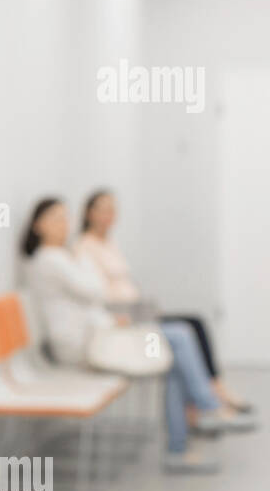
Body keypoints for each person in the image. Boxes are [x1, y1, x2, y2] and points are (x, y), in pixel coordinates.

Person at [20, 198, 251, 476]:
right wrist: (80, 257)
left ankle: (187, 436)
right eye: (54, 218)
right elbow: (95, 290)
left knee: (175, 347)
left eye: (65, 217)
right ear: (37, 225)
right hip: (84, 348)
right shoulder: (50, 260)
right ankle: (206, 409)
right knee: (178, 336)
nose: (63, 224)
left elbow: (91, 300)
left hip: (99, 337)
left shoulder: (64, 257)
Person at [75, 189, 253, 413]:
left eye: (112, 209)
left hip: (137, 309)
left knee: (196, 321)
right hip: (123, 316)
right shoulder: (85, 247)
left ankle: (215, 388)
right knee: (184, 331)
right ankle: (209, 400)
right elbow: (97, 294)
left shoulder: (109, 243)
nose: (108, 215)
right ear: (88, 213)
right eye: (102, 209)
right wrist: (129, 312)